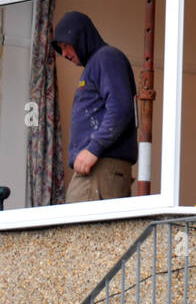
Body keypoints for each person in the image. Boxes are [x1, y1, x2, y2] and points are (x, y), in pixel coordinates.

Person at [52, 11, 137, 203]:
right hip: (99, 168)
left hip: (101, 168)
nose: (64, 54)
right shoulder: (97, 64)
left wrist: (93, 149)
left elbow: (121, 107)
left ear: (80, 37)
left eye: (66, 46)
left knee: (80, 231)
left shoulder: (106, 58)